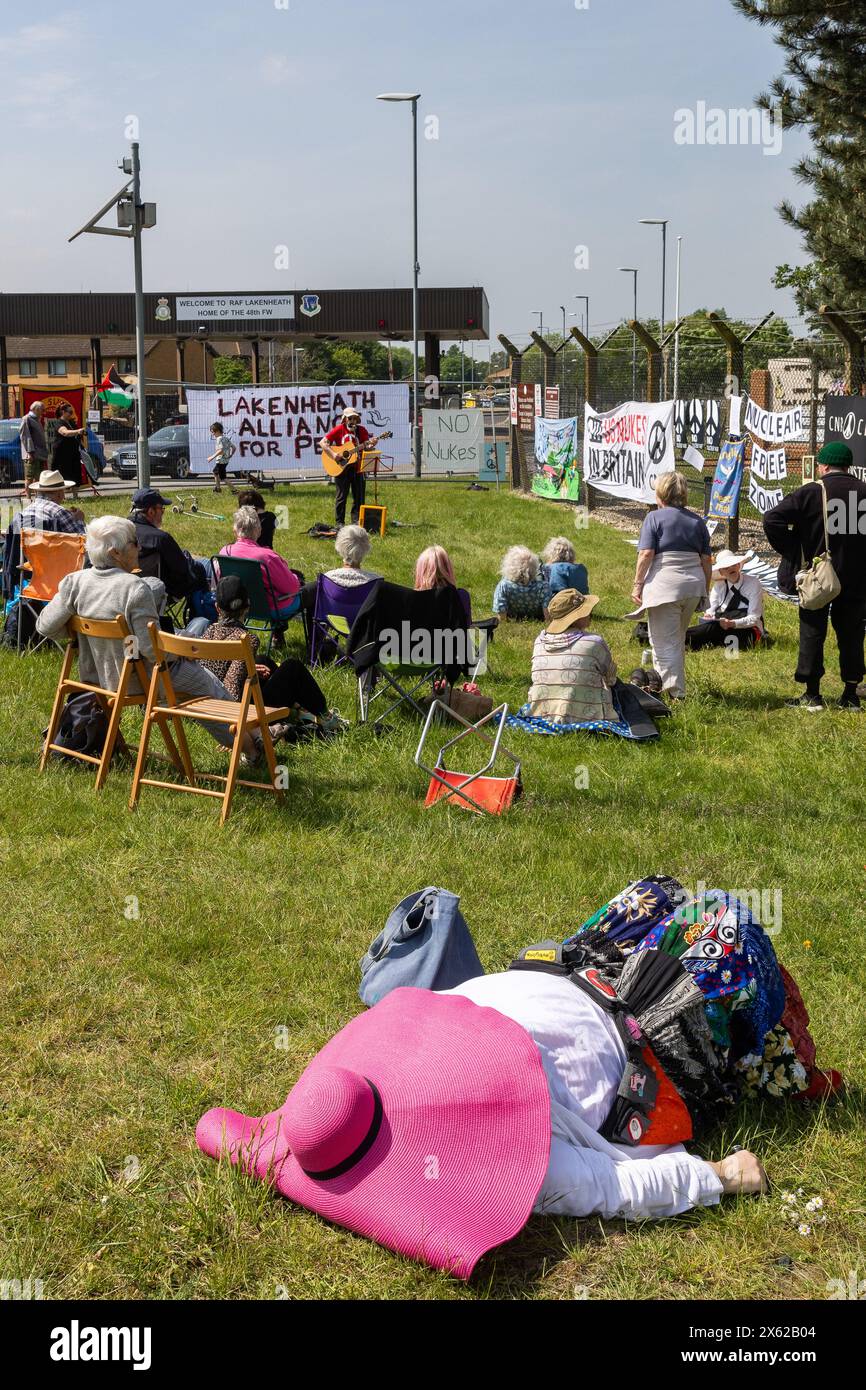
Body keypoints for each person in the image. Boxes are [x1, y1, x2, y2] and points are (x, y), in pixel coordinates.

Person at [197, 976, 766, 1282]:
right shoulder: (382, 1046)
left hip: (627, 1024)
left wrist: (721, 1176)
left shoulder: (500, 1148)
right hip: (542, 977)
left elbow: (611, 1188)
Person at [35, 516, 253, 754]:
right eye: (134, 542)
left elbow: (45, 626)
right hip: (139, 681)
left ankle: (254, 741)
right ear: (115, 553)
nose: (139, 547)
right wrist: (180, 655)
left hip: (96, 679)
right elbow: (152, 650)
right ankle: (253, 748)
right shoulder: (134, 589)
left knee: (197, 683)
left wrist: (77, 631)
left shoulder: (74, 582)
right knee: (206, 684)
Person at [764, 440, 866, 710]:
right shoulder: (864, 491)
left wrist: (793, 547)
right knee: (853, 635)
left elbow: (771, 519)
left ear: (822, 465)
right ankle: (851, 695)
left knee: (812, 630)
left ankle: (812, 694)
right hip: (857, 576)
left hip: (819, 575)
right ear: (848, 466)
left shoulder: (812, 491)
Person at [199, 576, 345, 738]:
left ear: (217, 608)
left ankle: (299, 709)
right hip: (236, 712)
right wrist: (234, 726)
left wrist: (250, 668)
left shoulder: (209, 632)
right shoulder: (246, 639)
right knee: (292, 667)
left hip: (209, 703)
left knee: (262, 661)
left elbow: (216, 671)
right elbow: (232, 686)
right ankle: (325, 717)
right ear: (248, 606)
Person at [632, 471, 712, 701]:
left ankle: (675, 695)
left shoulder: (654, 519)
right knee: (676, 640)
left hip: (665, 588)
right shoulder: (698, 522)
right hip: (693, 587)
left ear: (660, 493)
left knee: (663, 643)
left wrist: (637, 585)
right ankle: (662, 686)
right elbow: (706, 560)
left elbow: (646, 553)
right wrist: (704, 590)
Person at [1, 469, 86, 645]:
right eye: (63, 491)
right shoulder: (60, 513)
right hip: (59, 580)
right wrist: (79, 520)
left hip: (30, 579)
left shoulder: (22, 514)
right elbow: (85, 542)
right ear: (59, 492)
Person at [525, 588, 618, 723]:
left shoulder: (539, 641)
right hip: (588, 716)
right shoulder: (594, 642)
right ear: (577, 616)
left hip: (543, 713)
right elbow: (611, 679)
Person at [129, 488, 209, 602]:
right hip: (161, 594)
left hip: (126, 591)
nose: (163, 512)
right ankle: (200, 614)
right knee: (199, 567)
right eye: (162, 509)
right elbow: (182, 570)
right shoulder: (160, 538)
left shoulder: (121, 533)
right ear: (151, 511)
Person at [219, 506, 300, 618]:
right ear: (259, 530)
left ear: (235, 530)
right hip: (272, 608)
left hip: (238, 607)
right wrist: (295, 577)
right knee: (312, 590)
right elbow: (292, 588)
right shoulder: (267, 557)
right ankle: (316, 634)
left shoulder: (225, 552)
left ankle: (278, 633)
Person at [685, 548, 765, 650]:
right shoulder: (719, 586)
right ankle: (681, 639)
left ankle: (686, 639)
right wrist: (709, 615)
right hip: (722, 627)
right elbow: (711, 609)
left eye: (733, 565)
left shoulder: (753, 583)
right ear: (721, 572)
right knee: (712, 628)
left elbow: (754, 618)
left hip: (747, 630)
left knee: (714, 631)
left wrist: (732, 624)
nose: (731, 569)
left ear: (739, 566)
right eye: (726, 567)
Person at [321, 407, 370, 526]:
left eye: (355, 418)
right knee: (341, 496)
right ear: (345, 419)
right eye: (350, 418)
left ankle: (356, 521)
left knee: (359, 496)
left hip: (358, 467)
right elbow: (322, 442)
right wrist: (333, 455)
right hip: (342, 468)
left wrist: (370, 444)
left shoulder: (361, 430)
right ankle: (339, 523)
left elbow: (367, 446)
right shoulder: (339, 429)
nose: (352, 421)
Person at [52, 402, 98, 498]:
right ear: (63, 412)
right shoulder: (58, 422)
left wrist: (81, 433)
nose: (71, 414)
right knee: (62, 474)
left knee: (75, 473)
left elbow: (76, 433)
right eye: (69, 412)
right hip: (62, 454)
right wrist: (77, 431)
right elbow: (64, 432)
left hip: (73, 452)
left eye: (72, 412)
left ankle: (75, 496)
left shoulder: (71, 422)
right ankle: (62, 497)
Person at [492, 545, 547, 620]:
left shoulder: (504, 586)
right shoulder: (543, 587)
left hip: (512, 615)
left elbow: (500, 606)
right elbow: (547, 608)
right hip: (536, 616)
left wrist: (503, 620)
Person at [18, 400, 48, 495]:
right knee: (29, 477)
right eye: (42, 410)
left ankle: (37, 497)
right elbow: (25, 436)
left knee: (38, 477)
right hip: (31, 454)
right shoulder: (27, 419)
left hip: (39, 454)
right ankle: (28, 498)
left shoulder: (36, 419)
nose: (44, 412)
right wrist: (30, 452)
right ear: (37, 409)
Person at [207, 422, 236, 493]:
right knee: (216, 472)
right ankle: (218, 488)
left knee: (223, 477)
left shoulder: (219, 439)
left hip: (220, 460)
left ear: (217, 431)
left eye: (213, 432)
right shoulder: (226, 438)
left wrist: (211, 457)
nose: (212, 434)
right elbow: (234, 447)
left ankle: (234, 490)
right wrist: (231, 455)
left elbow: (221, 450)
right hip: (225, 460)